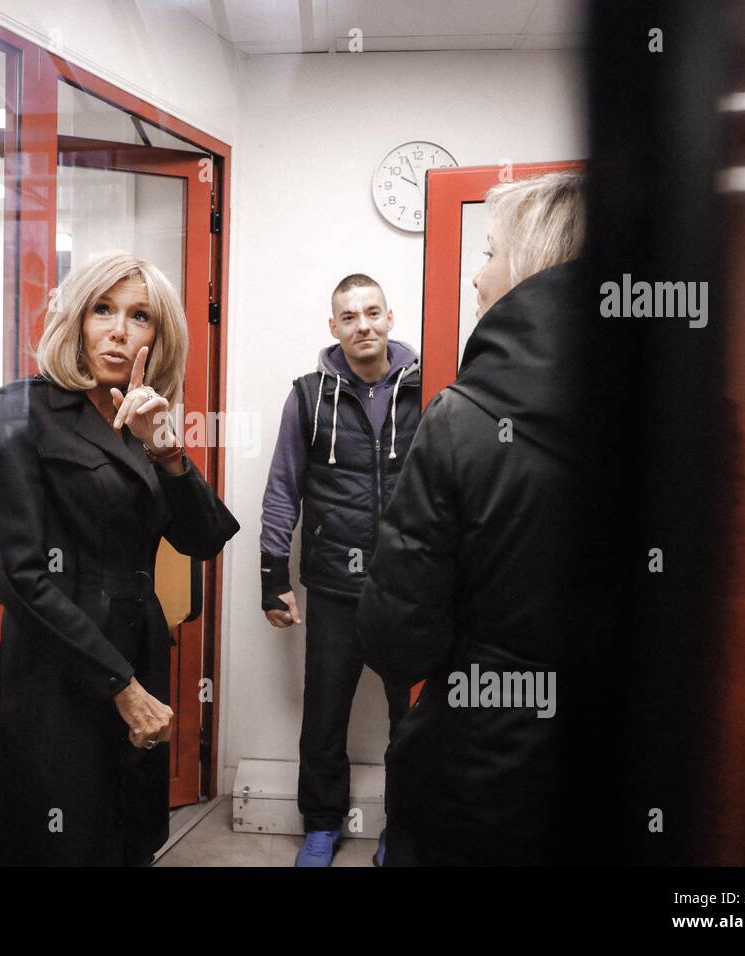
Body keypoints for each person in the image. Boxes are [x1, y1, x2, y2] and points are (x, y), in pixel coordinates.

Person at [357, 172, 623, 865]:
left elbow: (398, 643)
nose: (477, 276)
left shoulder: (460, 420)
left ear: (528, 267)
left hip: (481, 775)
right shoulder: (694, 410)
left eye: (488, 252)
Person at [0, 251, 239, 866]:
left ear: (159, 334)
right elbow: (22, 577)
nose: (119, 330)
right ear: (77, 319)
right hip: (61, 667)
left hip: (139, 650)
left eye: (139, 316)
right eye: (103, 309)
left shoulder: (140, 417)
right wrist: (119, 686)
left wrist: (169, 455)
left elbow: (203, 540)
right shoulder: (24, 409)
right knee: (63, 841)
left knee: (129, 836)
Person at [259, 274, 420, 866]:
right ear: (334, 329)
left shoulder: (430, 392)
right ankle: (322, 825)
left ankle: (403, 829)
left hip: (412, 587)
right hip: (332, 583)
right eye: (349, 317)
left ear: (390, 317)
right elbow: (282, 489)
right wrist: (271, 575)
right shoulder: (307, 395)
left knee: (415, 719)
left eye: (372, 313)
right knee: (325, 713)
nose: (363, 326)